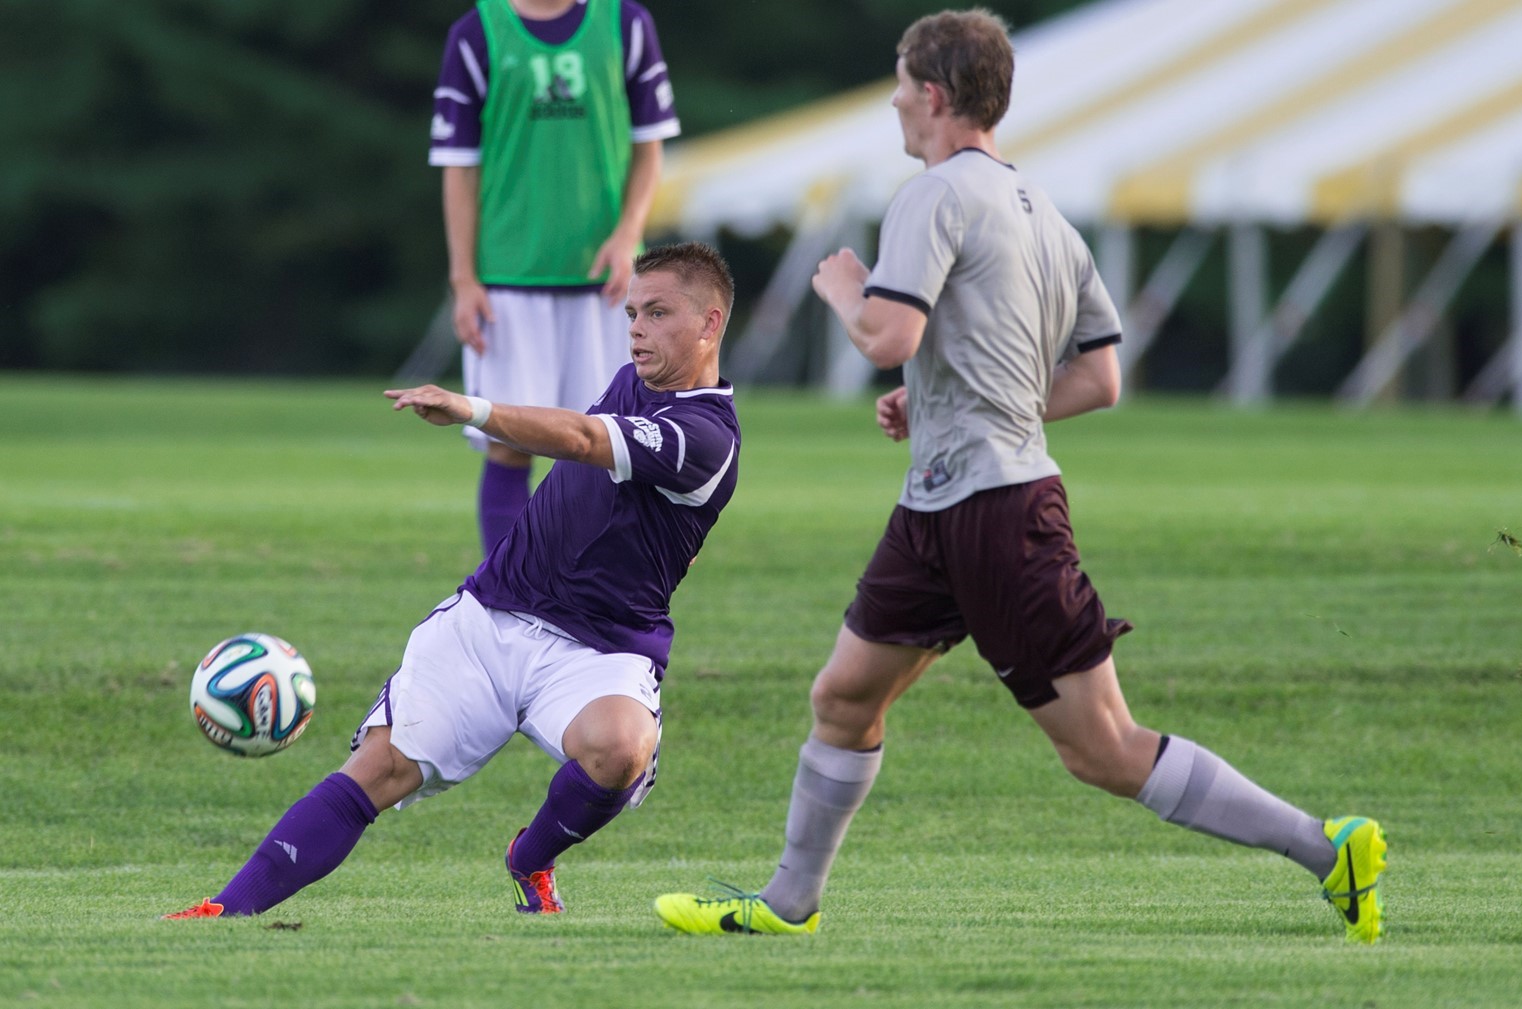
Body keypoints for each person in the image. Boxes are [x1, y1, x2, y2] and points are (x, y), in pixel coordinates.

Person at [653, 10, 1388, 943]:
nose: (892, 101)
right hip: (939, 504)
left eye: (899, 83)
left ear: (932, 94)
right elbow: (1099, 377)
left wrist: (843, 286)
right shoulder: (1046, 213)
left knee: (1104, 748)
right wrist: (949, 401)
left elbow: (887, 333)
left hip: (998, 511)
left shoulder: (931, 195)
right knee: (843, 694)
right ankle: (789, 903)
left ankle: (1328, 848)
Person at [165, 242, 738, 919]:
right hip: (490, 618)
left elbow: (584, 440)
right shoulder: (635, 379)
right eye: (633, 313)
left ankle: (530, 857)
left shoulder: (706, 437)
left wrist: (473, 409)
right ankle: (223, 912)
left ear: (710, 323)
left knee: (622, 748)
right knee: (378, 769)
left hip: (600, 649)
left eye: (658, 313)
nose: (637, 329)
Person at [430, 0, 682, 556]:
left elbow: (650, 146)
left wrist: (627, 234)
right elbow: (459, 166)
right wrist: (464, 279)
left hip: (609, 286)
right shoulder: (478, 33)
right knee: (508, 444)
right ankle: (505, 594)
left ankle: (594, 594)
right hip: (508, 281)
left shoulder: (625, 25)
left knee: (609, 450)